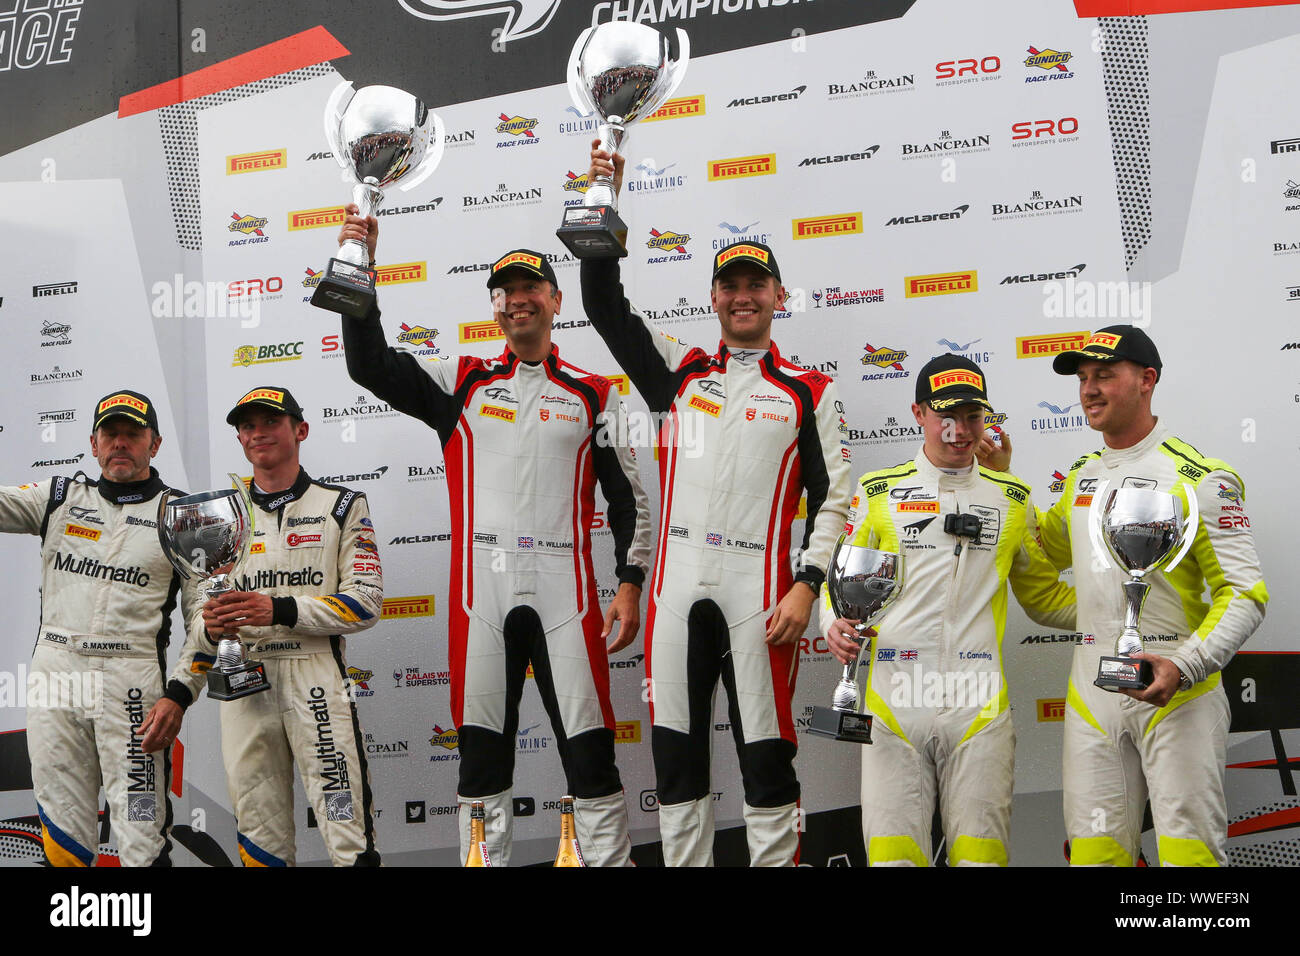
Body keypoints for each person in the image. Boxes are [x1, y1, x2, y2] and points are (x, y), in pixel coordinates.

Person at [336, 206, 653, 867]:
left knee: (591, 759)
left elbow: (627, 501)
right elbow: (368, 366)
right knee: (481, 769)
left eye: (531, 288)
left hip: (566, 597)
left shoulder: (595, 394)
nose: (518, 300)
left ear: (555, 301)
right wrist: (360, 268)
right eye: (506, 292)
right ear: (496, 307)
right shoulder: (461, 384)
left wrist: (629, 585)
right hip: (482, 600)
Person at [582, 145, 852, 866]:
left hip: (761, 594)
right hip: (674, 592)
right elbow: (603, 307)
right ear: (713, 298)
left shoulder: (809, 391)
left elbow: (834, 502)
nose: (743, 295)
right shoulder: (678, 371)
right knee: (676, 765)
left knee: (767, 762)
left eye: (755, 284)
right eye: (729, 284)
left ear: (777, 296)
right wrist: (603, 194)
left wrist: (809, 582)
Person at [820, 356, 1075, 866]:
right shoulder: (879, 491)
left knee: (981, 860)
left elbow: (1046, 598)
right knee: (893, 860)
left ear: (986, 418)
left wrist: (1135, 617)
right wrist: (832, 624)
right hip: (895, 705)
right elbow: (836, 583)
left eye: (972, 416)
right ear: (918, 413)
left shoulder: (1013, 498)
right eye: (945, 415)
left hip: (976, 709)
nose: (959, 431)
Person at [1032, 325, 1267, 865]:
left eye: (1104, 376)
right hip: (1093, 699)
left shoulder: (1201, 478)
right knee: (1095, 856)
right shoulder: (1081, 478)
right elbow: (1045, 555)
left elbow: (1246, 593)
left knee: (1190, 860)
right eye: (1083, 378)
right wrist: (1004, 489)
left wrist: (1185, 665)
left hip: (1178, 696)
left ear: (1147, 380)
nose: (1089, 389)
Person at [161, 386, 384, 866]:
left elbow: (365, 603)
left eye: (270, 422)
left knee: (347, 830)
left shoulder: (342, 505)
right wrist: (210, 627)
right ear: (240, 439)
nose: (257, 432)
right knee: (260, 836)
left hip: (317, 678)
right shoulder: (213, 517)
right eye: (247, 425)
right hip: (243, 684)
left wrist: (279, 609)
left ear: (300, 430)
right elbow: (198, 631)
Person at [0, 390, 202, 866]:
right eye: (111, 433)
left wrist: (181, 692)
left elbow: (207, 619)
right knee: (62, 829)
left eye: (134, 434)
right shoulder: (58, 498)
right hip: (57, 674)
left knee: (141, 833)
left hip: (132, 686)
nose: (121, 443)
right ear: (93, 443)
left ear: (155, 443)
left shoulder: (185, 516)